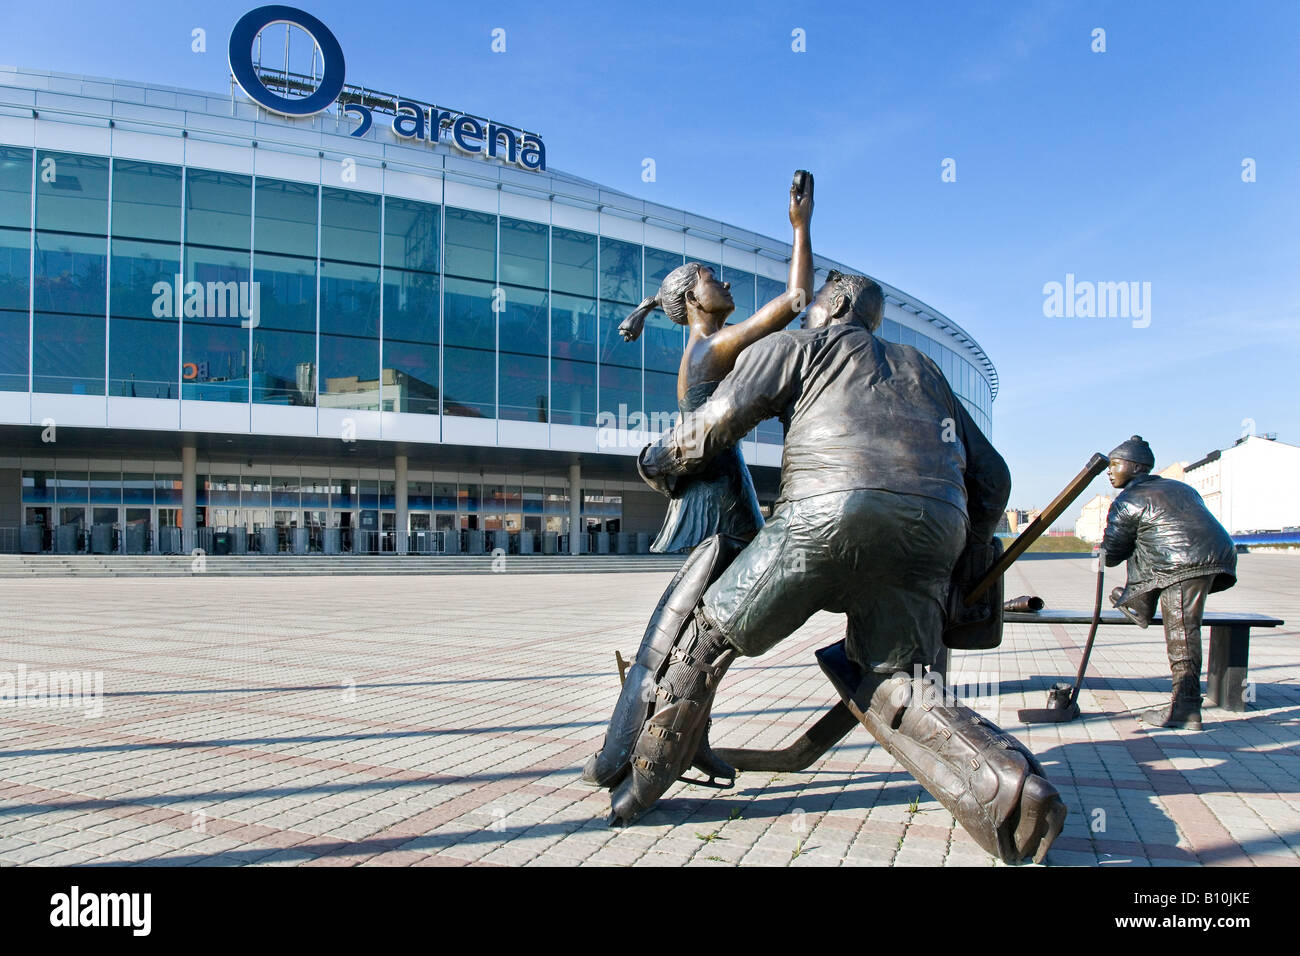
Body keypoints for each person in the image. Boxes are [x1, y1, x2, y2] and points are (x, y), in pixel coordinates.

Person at [583, 269, 1067, 863]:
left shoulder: (797, 347)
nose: (806, 306)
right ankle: (1008, 788)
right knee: (901, 685)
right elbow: (994, 478)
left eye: (814, 300)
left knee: (705, 638)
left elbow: (715, 424)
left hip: (821, 520)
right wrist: (963, 556)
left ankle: (639, 788)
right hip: (928, 537)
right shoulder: (924, 369)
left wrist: (656, 461)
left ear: (834, 303)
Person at [617, 170, 814, 554]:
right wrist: (800, 226)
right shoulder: (711, 349)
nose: (725, 285)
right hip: (723, 496)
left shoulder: (709, 348)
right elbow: (798, 297)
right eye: (713, 279)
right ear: (693, 299)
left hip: (719, 490)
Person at [1101, 436, 1237, 730]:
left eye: (1114, 464)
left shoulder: (1129, 500)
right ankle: (1135, 601)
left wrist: (1101, 553)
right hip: (1215, 555)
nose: (1109, 472)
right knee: (1184, 624)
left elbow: (1112, 553)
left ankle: (1186, 708)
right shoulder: (1180, 487)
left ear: (1137, 467)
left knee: (1183, 633)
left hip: (1182, 565)